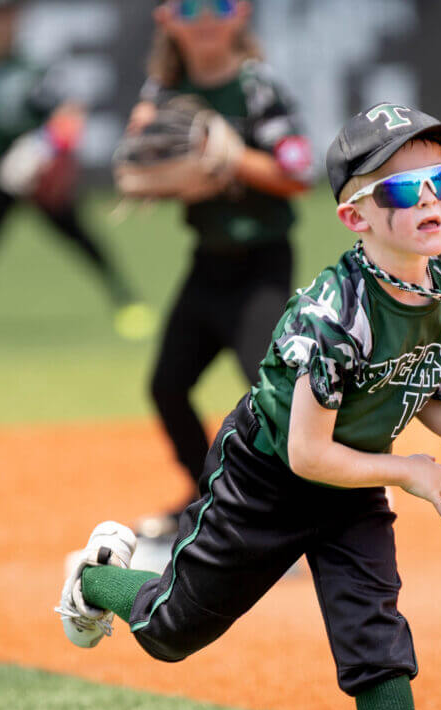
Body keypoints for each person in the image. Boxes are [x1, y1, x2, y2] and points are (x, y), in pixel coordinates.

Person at [57, 103, 441, 710]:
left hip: (352, 484)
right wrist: (410, 472)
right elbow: (307, 452)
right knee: (169, 629)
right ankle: (94, 576)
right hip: (268, 479)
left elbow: (433, 393)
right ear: (355, 216)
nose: (429, 200)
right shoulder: (332, 315)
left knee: (375, 639)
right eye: (402, 190)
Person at [128, 0, 313, 538]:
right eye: (189, 7)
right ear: (166, 19)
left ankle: (291, 524)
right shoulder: (162, 92)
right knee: (168, 386)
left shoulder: (258, 88)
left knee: (271, 394)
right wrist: (151, 159)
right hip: (207, 264)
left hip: (262, 264)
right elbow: (136, 170)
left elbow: (296, 174)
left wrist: (232, 157)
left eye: (221, 4)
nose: (205, 16)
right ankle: (206, 499)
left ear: (242, 15)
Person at [0, 0, 152, 341]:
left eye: (6, 15)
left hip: (39, 177)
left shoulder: (32, 71)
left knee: (81, 238)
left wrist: (41, 151)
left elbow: (69, 115)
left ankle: (126, 301)